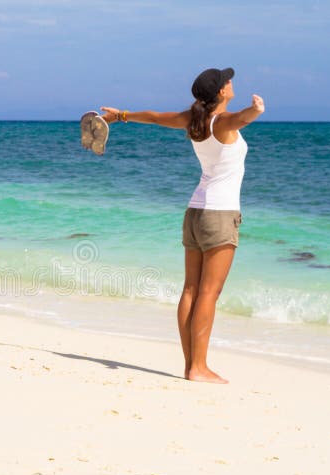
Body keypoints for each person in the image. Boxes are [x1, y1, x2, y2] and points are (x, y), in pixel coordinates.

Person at [100, 67, 264, 384]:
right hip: (219, 215)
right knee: (208, 293)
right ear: (220, 93)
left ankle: (192, 364)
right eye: (226, 82)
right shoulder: (222, 122)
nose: (231, 83)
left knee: (191, 289)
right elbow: (241, 118)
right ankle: (198, 368)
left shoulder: (193, 120)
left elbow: (154, 117)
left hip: (195, 213)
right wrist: (256, 110)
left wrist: (120, 115)